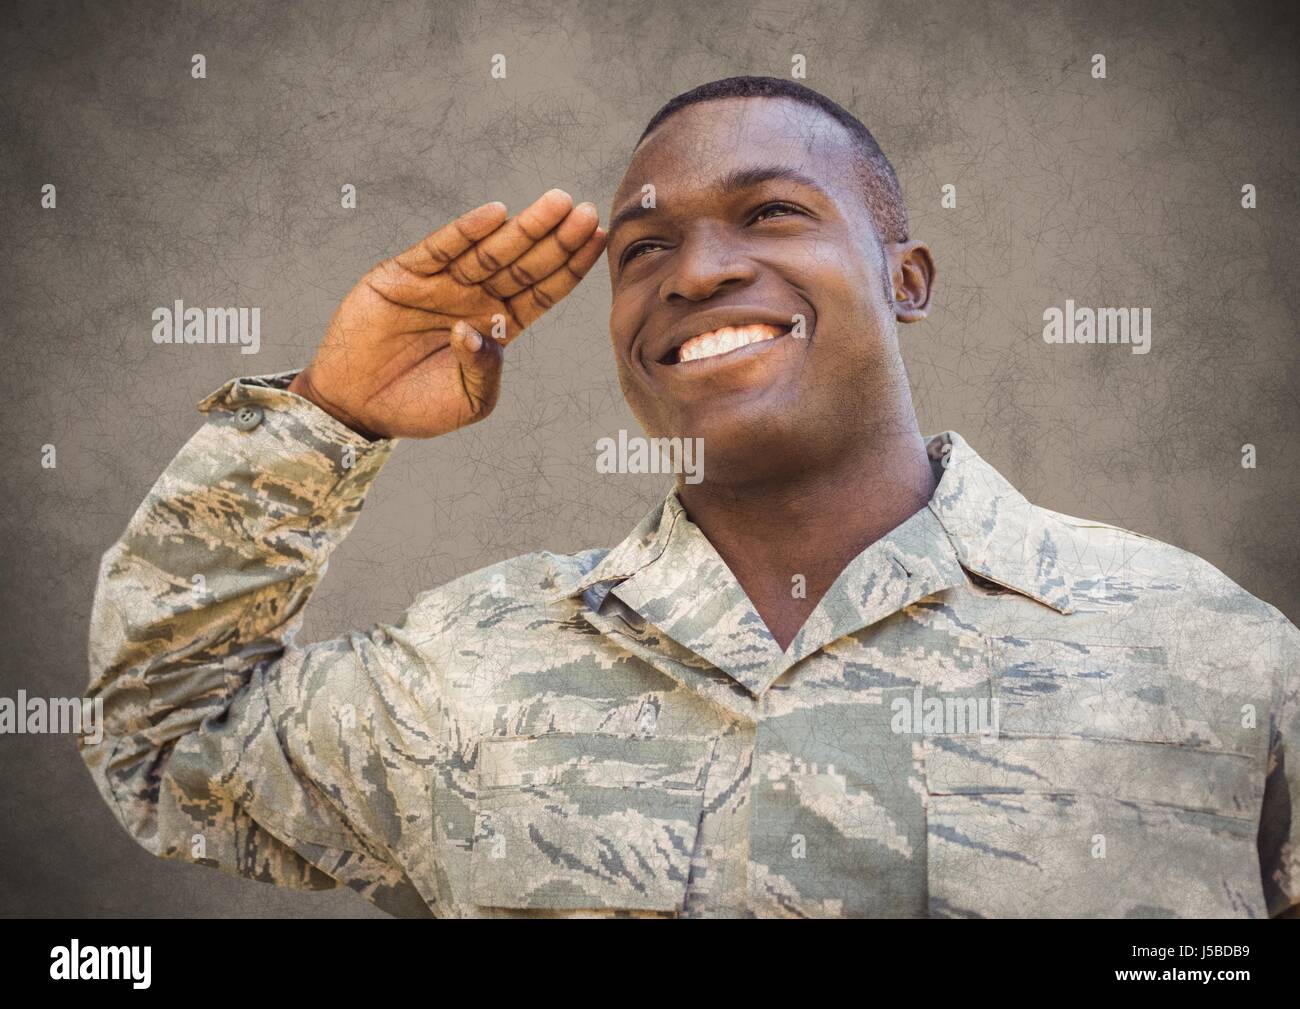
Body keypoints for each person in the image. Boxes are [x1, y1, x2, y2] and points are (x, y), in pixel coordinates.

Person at [80, 76, 1299, 918]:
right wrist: (324, 418)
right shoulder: (461, 673)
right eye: (642, 250)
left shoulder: (1209, 654)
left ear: (906, 278)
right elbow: (166, 739)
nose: (700, 270)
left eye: (772, 213)